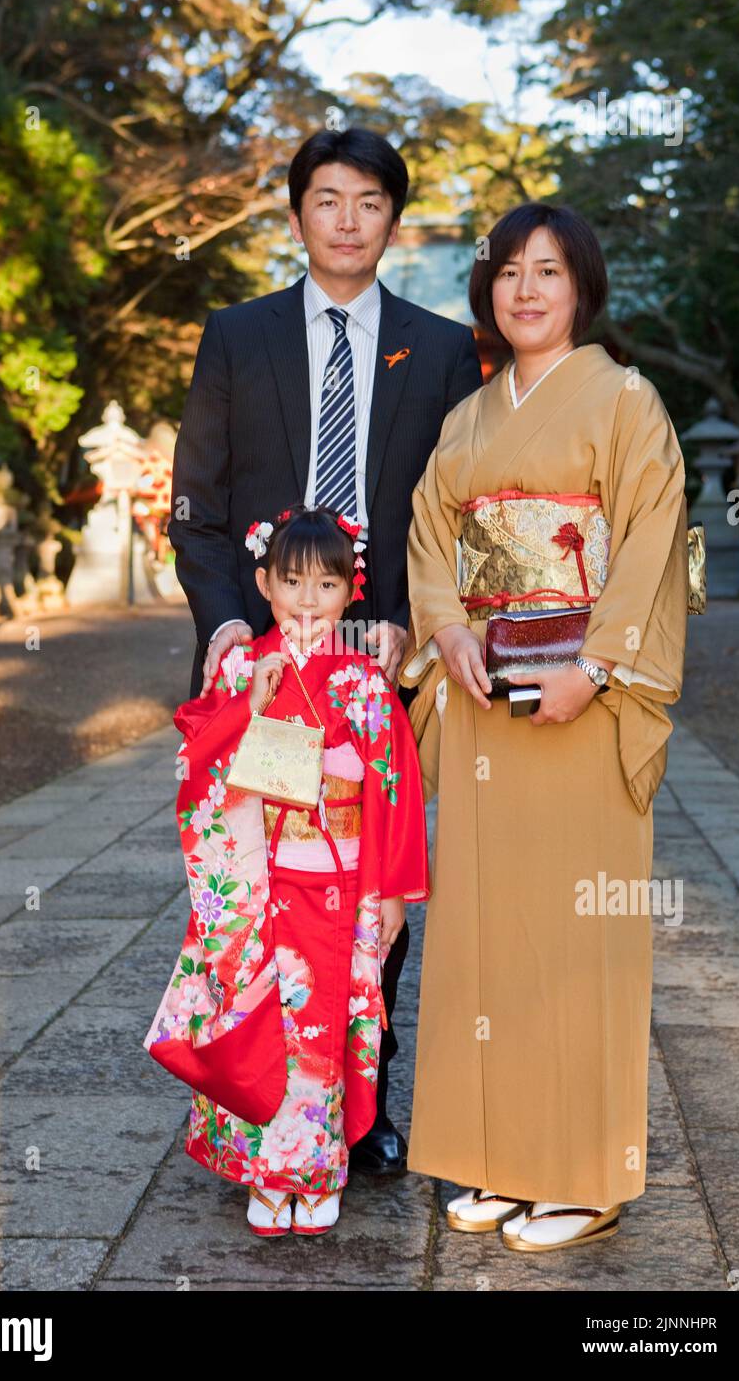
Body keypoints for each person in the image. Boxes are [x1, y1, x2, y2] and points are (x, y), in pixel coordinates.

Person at [168, 126, 483, 1173]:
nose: (347, 221)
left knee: (363, 891)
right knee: (257, 889)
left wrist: (406, 622)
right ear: (295, 212)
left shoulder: (438, 349)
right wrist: (229, 631)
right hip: (265, 665)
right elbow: (196, 512)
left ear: (394, 218)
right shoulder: (235, 334)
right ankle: (253, 1104)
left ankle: (359, 1111)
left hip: (372, 664)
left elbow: (446, 514)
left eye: (369, 203)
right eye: (326, 200)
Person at [399, 202, 689, 1251]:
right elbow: (432, 535)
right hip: (485, 701)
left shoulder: (623, 400)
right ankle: (492, 1156)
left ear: (581, 289)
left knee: (574, 937)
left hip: (578, 696)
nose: (524, 290)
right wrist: (446, 629)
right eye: (509, 273)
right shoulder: (467, 420)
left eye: (548, 272)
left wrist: (596, 665)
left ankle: (581, 1168)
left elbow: (651, 538)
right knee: (483, 936)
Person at [144, 504, 430, 1236]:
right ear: (263, 584)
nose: (307, 599)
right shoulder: (241, 665)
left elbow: (393, 788)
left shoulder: (365, 680)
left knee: (325, 1030)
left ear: (351, 590)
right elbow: (196, 766)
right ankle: (265, 1175)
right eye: (292, 581)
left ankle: (318, 1167)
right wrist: (249, 703)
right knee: (260, 1023)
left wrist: (394, 889)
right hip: (257, 884)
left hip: (342, 888)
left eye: (326, 584)